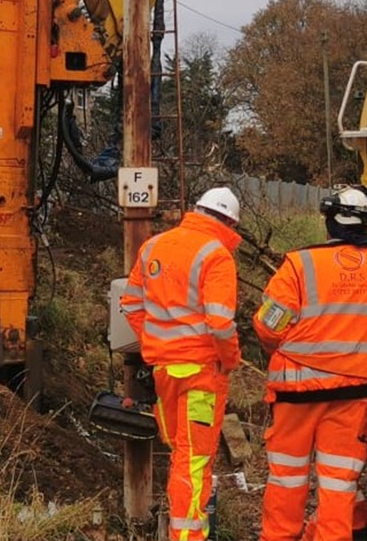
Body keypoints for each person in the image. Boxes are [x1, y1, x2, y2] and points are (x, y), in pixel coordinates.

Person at [255, 189, 367, 541]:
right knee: (339, 481)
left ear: (329, 222)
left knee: (287, 476)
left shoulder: (299, 265)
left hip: (296, 393)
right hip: (355, 394)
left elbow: (268, 326)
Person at [121, 187, 243, 541]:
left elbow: (130, 304)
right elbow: (220, 323)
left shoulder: (154, 246)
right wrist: (230, 359)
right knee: (194, 461)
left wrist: (155, 344)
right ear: (229, 222)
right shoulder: (217, 256)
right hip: (200, 375)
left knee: (181, 456)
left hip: (164, 373)